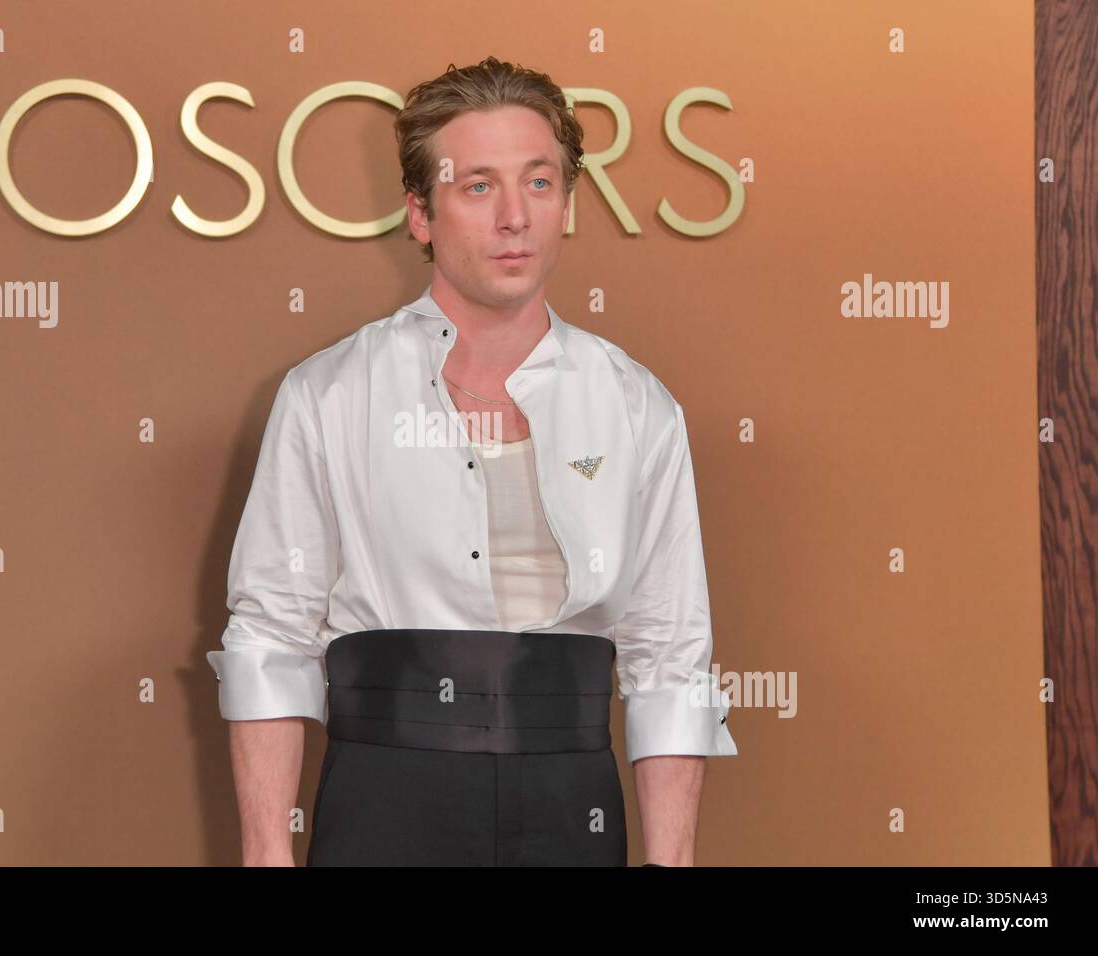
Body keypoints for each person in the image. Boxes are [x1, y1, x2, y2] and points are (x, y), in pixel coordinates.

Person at [206, 56, 737, 867]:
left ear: (567, 202)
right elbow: (272, 637)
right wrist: (266, 856)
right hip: (382, 801)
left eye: (539, 182)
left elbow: (669, 656)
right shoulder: (330, 395)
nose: (516, 217)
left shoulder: (637, 406)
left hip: (574, 807)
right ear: (420, 215)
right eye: (478, 186)